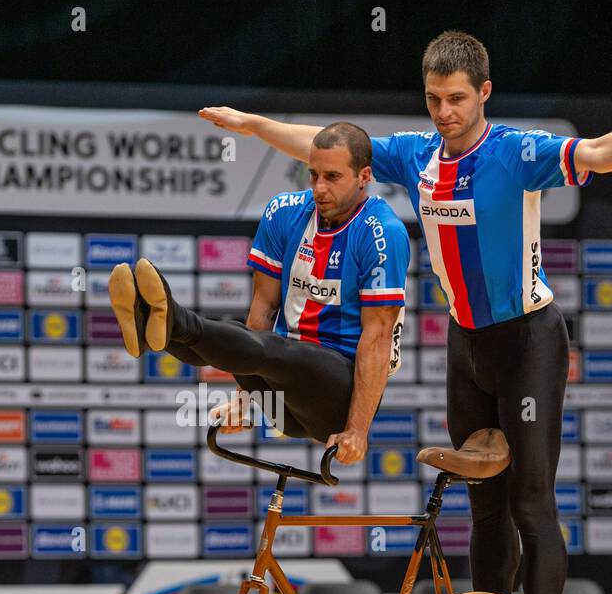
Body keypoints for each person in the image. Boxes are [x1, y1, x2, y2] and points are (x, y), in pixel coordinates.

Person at [200, 30, 612, 594]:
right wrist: (250, 124)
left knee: (530, 504)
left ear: (484, 92)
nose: (444, 112)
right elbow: (322, 146)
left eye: (456, 98)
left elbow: (600, 152)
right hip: (467, 346)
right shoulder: (417, 154)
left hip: (529, 343)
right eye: (433, 99)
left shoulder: (517, 152)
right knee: (482, 507)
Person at [109, 121, 410, 466]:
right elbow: (263, 310)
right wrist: (243, 400)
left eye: (332, 177)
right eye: (313, 175)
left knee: (275, 350)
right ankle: (158, 328)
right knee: (256, 342)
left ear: (364, 176)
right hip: (282, 403)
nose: (319, 188)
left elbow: (377, 338)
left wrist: (357, 430)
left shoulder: (382, 232)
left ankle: (173, 320)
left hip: (338, 399)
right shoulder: (284, 212)